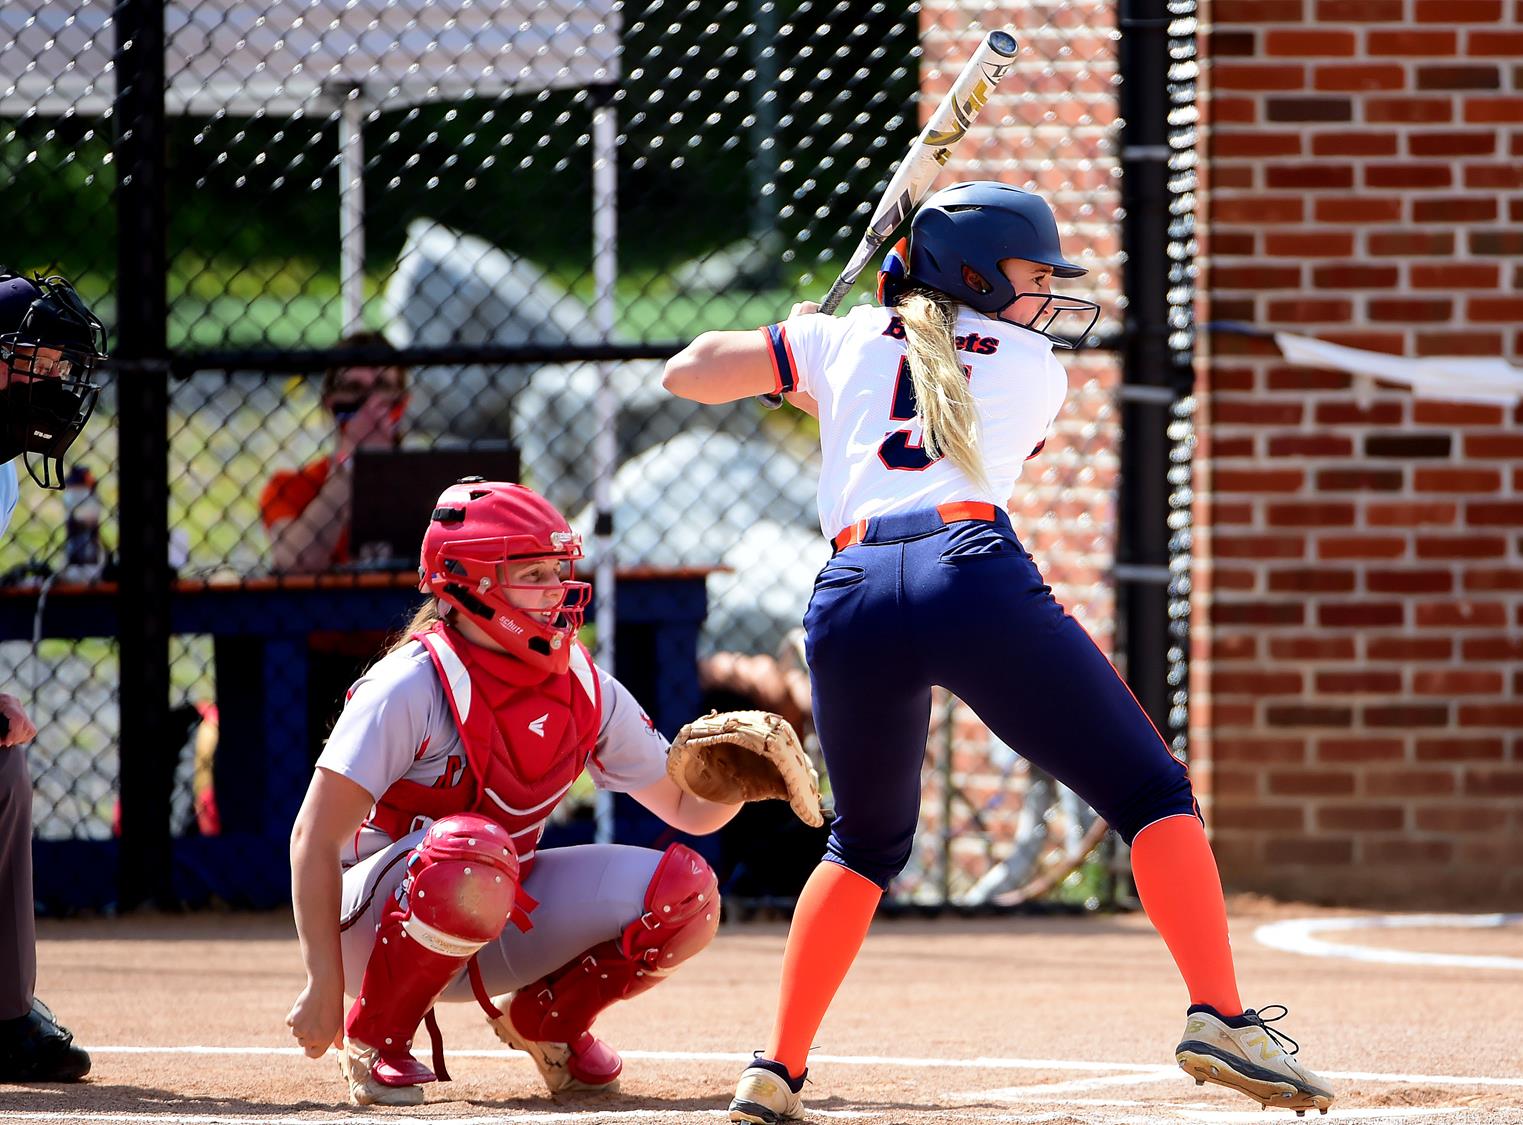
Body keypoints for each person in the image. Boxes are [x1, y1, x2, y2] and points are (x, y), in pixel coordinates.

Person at [661, 181, 1338, 1122]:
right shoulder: (1029, 363)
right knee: (1151, 794)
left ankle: (775, 1067)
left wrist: (795, 343)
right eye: (1030, 276)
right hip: (966, 571)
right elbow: (928, 416)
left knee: (860, 844)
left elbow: (686, 371)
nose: (1046, 296)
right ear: (971, 274)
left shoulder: (846, 337)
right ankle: (1220, 1014)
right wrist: (827, 363)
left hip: (849, 592)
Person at [286, 478, 744, 1106]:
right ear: (469, 582)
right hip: (374, 923)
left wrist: (742, 779)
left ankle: (546, 1021)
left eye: (558, 569)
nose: (556, 588)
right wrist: (322, 980)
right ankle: (379, 1033)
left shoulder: (585, 683)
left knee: (686, 893)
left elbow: (689, 810)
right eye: (532, 572)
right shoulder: (411, 683)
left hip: (494, 899)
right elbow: (314, 837)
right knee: (472, 849)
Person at [0, 268, 106, 1083]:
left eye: (64, 368)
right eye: (38, 361)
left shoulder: (0, 473)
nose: (59, 384)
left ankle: (2, 1010)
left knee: (2, 759)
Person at [261, 332, 408, 573]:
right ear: (331, 403)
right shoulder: (289, 486)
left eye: (382, 386)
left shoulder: (433, 483)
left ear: (402, 402)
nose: (369, 402)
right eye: (353, 388)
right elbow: (295, 562)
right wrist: (351, 463)